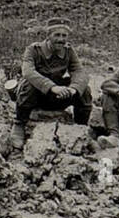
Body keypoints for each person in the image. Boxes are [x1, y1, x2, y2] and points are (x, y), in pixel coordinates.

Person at [11, 18, 92, 148]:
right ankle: (19, 124)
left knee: (84, 90)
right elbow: (28, 72)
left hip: (57, 97)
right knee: (28, 83)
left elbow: (79, 72)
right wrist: (52, 87)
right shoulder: (33, 50)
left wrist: (73, 89)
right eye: (57, 35)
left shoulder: (69, 51)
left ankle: (81, 128)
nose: (61, 39)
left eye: (64, 35)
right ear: (48, 36)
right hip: (36, 97)